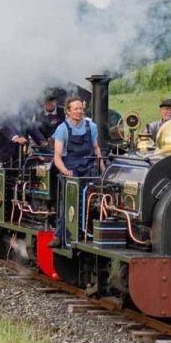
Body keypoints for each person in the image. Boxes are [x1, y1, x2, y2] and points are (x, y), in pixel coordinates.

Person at [48, 97, 105, 248]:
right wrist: (65, 171)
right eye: (76, 109)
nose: (79, 111)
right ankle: (59, 235)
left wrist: (103, 168)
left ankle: (94, 230)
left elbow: (96, 148)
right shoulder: (62, 129)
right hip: (70, 168)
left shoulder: (91, 126)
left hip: (88, 166)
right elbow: (57, 156)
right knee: (68, 200)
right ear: (68, 111)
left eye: (81, 109)